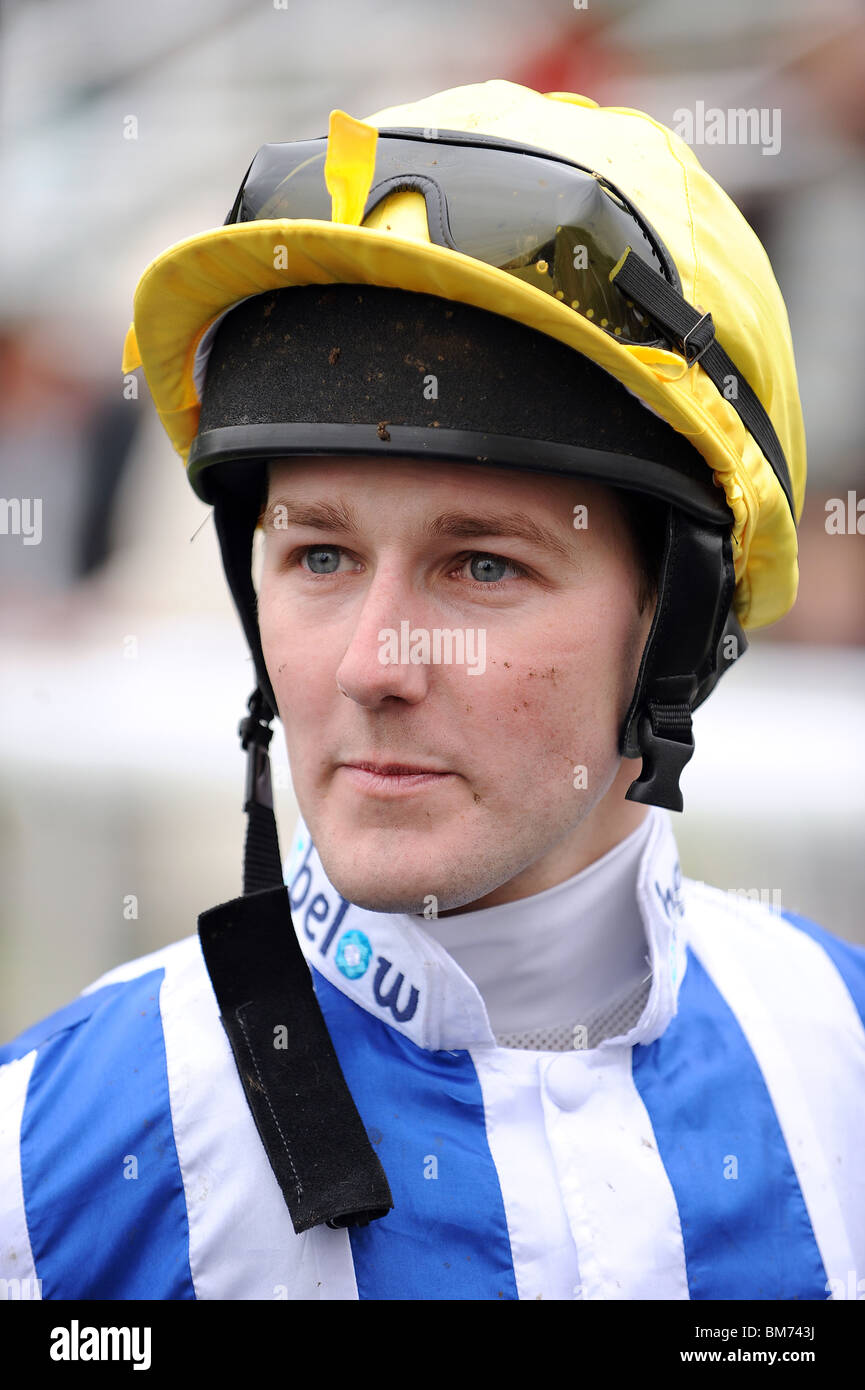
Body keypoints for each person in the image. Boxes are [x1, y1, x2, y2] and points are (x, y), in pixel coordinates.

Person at [1, 79, 863, 1303]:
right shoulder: (41, 1166)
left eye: (482, 565)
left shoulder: (844, 1071)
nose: (371, 665)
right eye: (320, 555)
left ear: (681, 623)